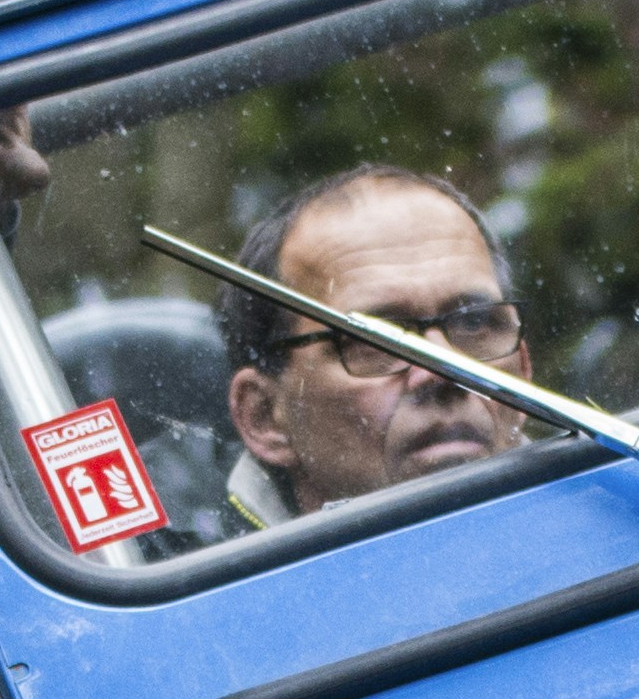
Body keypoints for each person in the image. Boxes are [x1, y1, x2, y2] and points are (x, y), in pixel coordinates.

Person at [220, 166, 548, 510]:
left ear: (524, 372)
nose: (444, 370)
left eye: (474, 323)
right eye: (375, 340)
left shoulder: (606, 502)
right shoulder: (194, 561)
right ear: (265, 416)